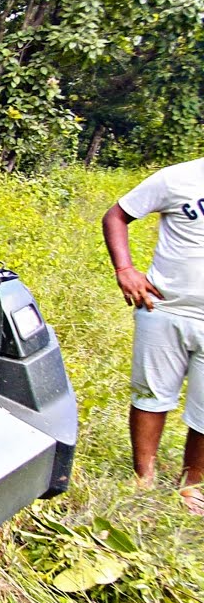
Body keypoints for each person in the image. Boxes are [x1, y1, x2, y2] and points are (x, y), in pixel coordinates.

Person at [102, 158, 204, 514]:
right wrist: (125, 269)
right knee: (150, 394)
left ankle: (192, 487)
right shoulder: (178, 178)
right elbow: (116, 216)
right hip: (165, 308)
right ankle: (144, 476)